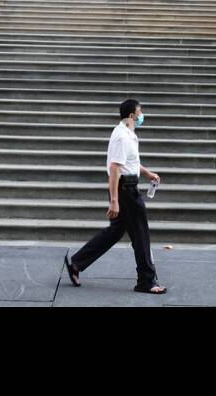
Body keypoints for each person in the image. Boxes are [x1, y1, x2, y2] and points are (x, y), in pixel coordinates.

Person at [64, 99, 166, 294]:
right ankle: (146, 281)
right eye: (140, 112)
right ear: (131, 116)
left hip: (126, 187)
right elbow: (114, 168)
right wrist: (114, 201)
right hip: (126, 190)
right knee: (141, 235)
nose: (142, 115)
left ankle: (76, 263)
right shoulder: (122, 137)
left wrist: (147, 173)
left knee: (115, 232)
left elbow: (130, 163)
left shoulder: (127, 134)